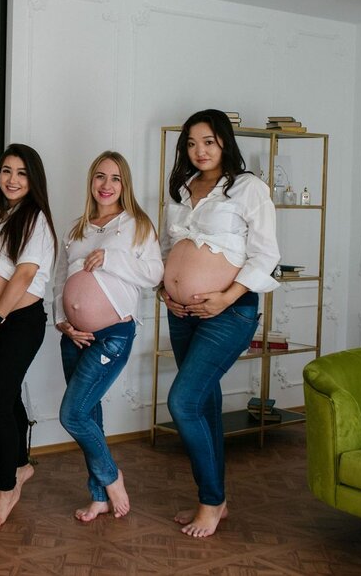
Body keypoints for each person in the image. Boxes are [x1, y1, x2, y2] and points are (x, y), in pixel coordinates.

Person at [158, 109, 279, 538]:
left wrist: (226, 296)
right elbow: (167, 248)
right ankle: (214, 497)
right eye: (191, 143)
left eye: (208, 141)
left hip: (229, 313)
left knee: (183, 402)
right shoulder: (182, 188)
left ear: (224, 142)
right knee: (203, 403)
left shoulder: (248, 188)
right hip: (182, 314)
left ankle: (212, 501)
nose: (200, 151)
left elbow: (266, 256)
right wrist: (164, 289)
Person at [53, 151, 163, 523]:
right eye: (99, 177)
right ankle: (98, 496)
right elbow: (59, 280)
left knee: (72, 413)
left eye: (114, 178)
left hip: (112, 334)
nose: (106, 185)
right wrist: (61, 320)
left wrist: (111, 260)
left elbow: (154, 274)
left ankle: (112, 477)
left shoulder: (137, 224)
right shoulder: (77, 228)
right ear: (91, 182)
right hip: (74, 336)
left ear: (125, 184)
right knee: (90, 415)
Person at [0, 143, 56, 527]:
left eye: (20, 172)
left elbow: (23, 275)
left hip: (16, 322)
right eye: (6, 171)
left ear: (33, 179)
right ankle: (19, 464)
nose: (12, 179)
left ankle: (6, 490)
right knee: (8, 396)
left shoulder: (34, 219)